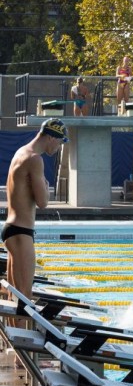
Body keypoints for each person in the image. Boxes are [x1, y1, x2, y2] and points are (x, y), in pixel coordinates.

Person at [1, 118, 68, 299]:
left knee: (13, 296)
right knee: (24, 297)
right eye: (60, 142)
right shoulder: (35, 159)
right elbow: (42, 202)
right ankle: (22, 327)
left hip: (10, 229)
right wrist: (46, 187)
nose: (58, 148)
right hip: (22, 232)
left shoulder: (20, 152)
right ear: (52, 137)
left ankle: (13, 328)